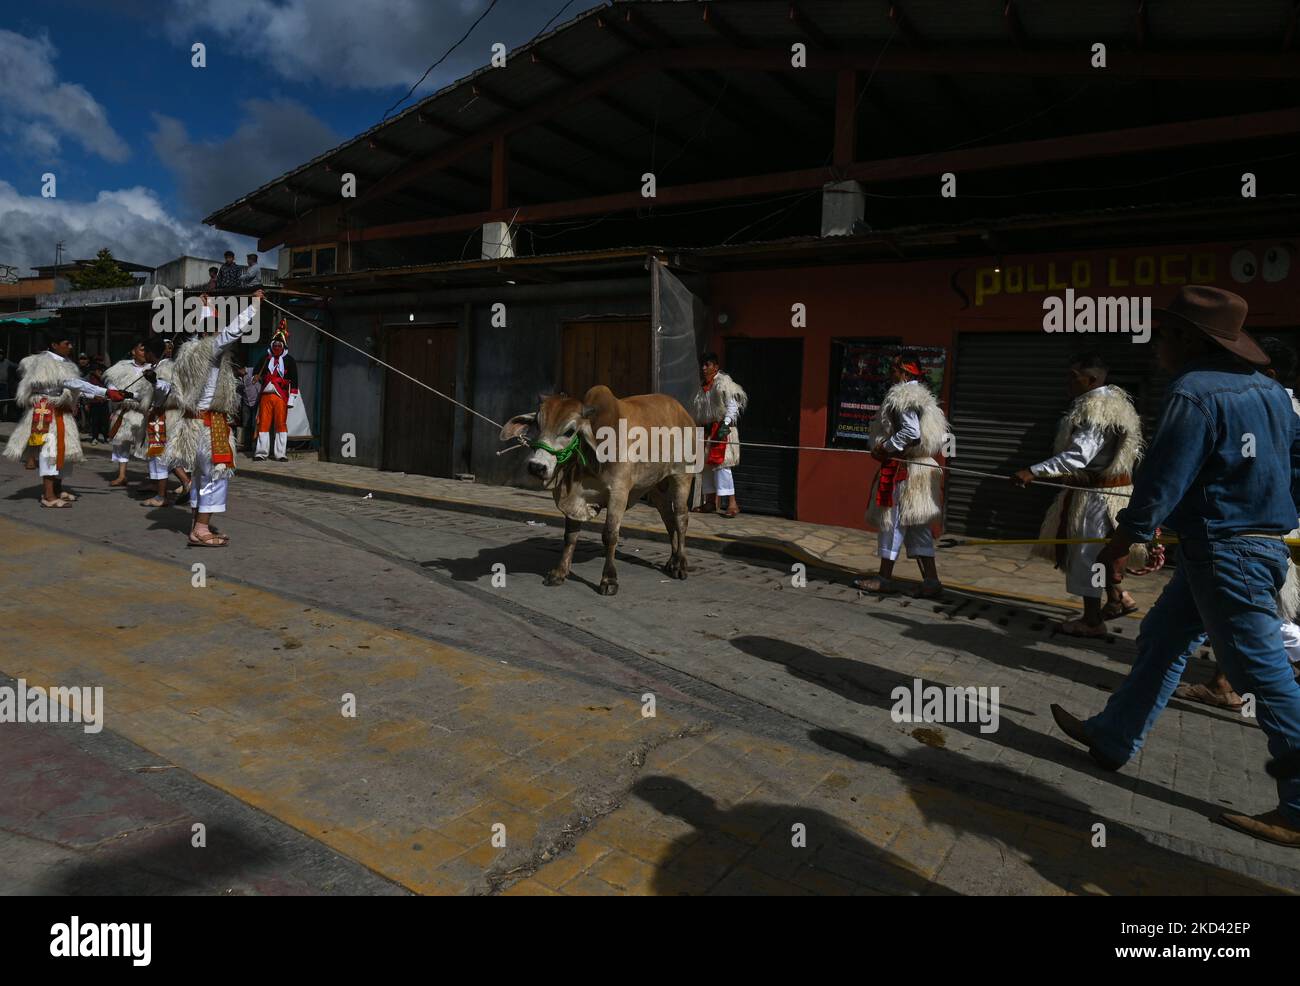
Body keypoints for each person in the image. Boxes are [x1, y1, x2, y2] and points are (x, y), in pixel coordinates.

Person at [1050, 285, 1300, 848]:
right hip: (1234, 544)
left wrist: (1127, 538)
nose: (1155, 343)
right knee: (1163, 637)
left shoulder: (1194, 393)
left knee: (1264, 676)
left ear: (1188, 339)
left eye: (1163, 333)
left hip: (1225, 552)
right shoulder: (1271, 392)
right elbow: (1295, 463)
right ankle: (1113, 737)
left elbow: (1164, 475)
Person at [1174, 335, 1300, 709]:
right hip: (1243, 536)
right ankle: (1116, 730)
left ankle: (1233, 686)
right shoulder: (1274, 405)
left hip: (1250, 537)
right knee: (1173, 631)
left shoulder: (1271, 407)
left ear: (1270, 373)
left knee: (1261, 625)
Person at [1011, 352, 1146, 637]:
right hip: (1115, 493)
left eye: (1074, 377)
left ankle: (1092, 621)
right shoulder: (1116, 403)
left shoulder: (1095, 410)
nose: (1067, 382)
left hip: (1097, 496)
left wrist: (1033, 471)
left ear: (1092, 379)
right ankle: (1118, 597)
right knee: (1104, 548)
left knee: (1086, 554)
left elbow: (1078, 456)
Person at [159, 290, 260, 545]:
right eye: (217, 329)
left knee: (201, 477)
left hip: (192, 424)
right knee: (216, 476)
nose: (222, 336)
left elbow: (209, 330)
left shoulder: (188, 355)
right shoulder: (209, 350)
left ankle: (196, 525)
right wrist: (254, 305)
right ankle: (201, 530)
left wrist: (208, 306)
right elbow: (232, 332)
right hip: (207, 424)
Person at [854, 353, 950, 598]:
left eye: (894, 369)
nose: (890, 373)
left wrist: (883, 448)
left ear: (905, 373)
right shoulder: (924, 398)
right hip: (920, 468)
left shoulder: (903, 397)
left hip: (904, 469)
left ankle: (884, 578)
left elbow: (911, 432)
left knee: (892, 521)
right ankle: (931, 581)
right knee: (918, 526)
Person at [2, 328, 131, 507]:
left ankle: (57, 489)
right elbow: (71, 383)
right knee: (50, 452)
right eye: (66, 343)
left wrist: (99, 395)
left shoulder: (66, 363)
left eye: (71, 343)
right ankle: (48, 496)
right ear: (54, 345)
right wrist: (106, 391)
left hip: (62, 412)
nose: (71, 346)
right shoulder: (44, 363)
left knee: (65, 453)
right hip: (46, 413)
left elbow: (73, 389)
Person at [690, 352, 747, 516]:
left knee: (723, 466)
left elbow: (733, 404)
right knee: (706, 467)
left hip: (722, 429)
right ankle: (709, 502)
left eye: (707, 365)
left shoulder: (724, 383)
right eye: (703, 365)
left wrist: (726, 424)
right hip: (707, 431)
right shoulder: (702, 388)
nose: (704, 368)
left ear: (716, 367)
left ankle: (732, 504)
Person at [139, 339, 191, 507]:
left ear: (149, 353)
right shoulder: (162, 367)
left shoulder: (166, 368)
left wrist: (154, 381)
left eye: (144, 351)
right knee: (165, 453)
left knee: (161, 454)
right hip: (165, 415)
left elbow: (167, 388)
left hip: (163, 416)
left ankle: (164, 495)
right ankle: (181, 484)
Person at [102, 340, 155, 488]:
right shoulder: (121, 366)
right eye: (141, 349)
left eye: (146, 350)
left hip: (144, 412)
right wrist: (115, 390)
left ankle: (153, 479)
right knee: (121, 444)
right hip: (125, 411)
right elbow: (109, 379)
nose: (144, 353)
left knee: (148, 445)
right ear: (133, 351)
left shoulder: (154, 368)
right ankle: (122, 475)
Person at [253, 323, 297, 462]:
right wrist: (257, 376)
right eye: (275, 345)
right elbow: (256, 372)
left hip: (281, 397)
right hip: (266, 396)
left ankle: (280, 454)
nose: (277, 348)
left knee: (281, 425)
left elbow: (295, 381)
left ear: (283, 347)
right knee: (264, 424)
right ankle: (261, 453)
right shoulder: (265, 358)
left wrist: (292, 399)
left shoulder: (289, 361)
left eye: (279, 346)